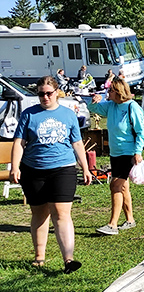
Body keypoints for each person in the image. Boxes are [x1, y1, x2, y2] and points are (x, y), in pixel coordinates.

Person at [10, 75, 92, 271]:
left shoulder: (68, 114)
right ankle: (39, 256)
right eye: (41, 94)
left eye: (49, 93)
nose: (45, 97)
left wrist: (85, 167)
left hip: (63, 168)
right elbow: (19, 143)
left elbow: (77, 143)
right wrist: (15, 166)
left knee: (62, 213)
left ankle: (68, 259)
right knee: (39, 213)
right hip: (33, 170)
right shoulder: (29, 114)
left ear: (57, 93)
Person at [89, 75, 144, 235]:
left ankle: (112, 224)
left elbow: (141, 131)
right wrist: (95, 99)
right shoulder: (111, 106)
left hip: (129, 153)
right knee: (123, 187)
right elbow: (93, 108)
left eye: (111, 90)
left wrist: (138, 151)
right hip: (115, 153)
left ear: (119, 92)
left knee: (115, 186)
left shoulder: (132, 107)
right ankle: (130, 220)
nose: (109, 93)